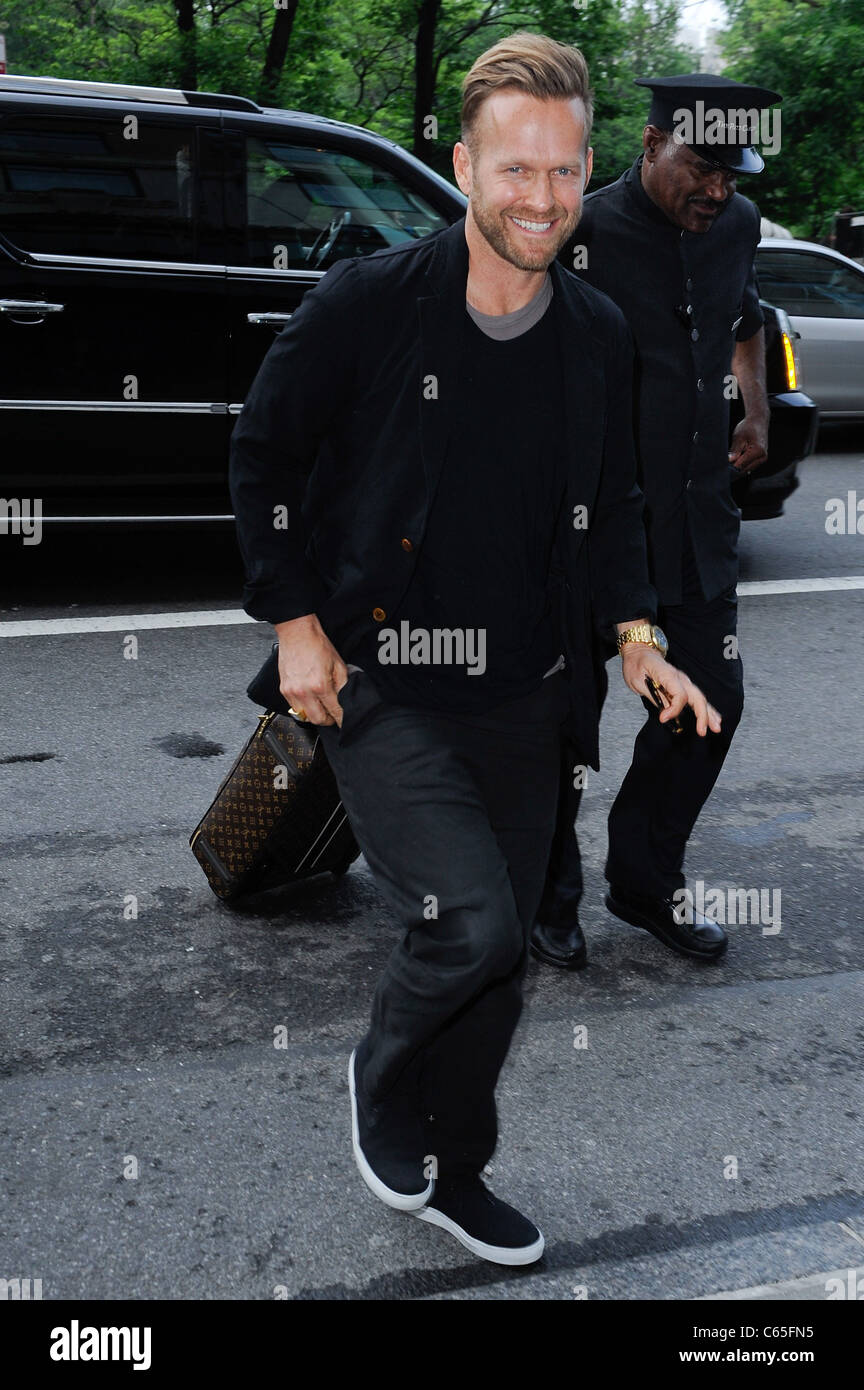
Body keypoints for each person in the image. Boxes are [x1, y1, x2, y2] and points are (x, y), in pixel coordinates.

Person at [229, 33, 719, 1268]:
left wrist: (638, 638)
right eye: (515, 170)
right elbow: (263, 457)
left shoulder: (596, 332)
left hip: (529, 695)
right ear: (464, 165)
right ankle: (380, 1075)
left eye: (562, 172)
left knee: (498, 969)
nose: (541, 199)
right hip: (386, 680)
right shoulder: (369, 305)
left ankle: (460, 1167)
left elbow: (612, 508)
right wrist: (293, 620)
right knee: (470, 926)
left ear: (585, 166)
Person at [532, 73, 780, 973]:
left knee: (713, 704)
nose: (718, 189)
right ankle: (547, 893)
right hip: (588, 533)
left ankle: (643, 882)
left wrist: (753, 411)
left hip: (694, 525)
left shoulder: (738, 226)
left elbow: (749, 321)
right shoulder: (581, 231)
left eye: (734, 172)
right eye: (701, 168)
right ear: (648, 144)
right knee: (561, 718)